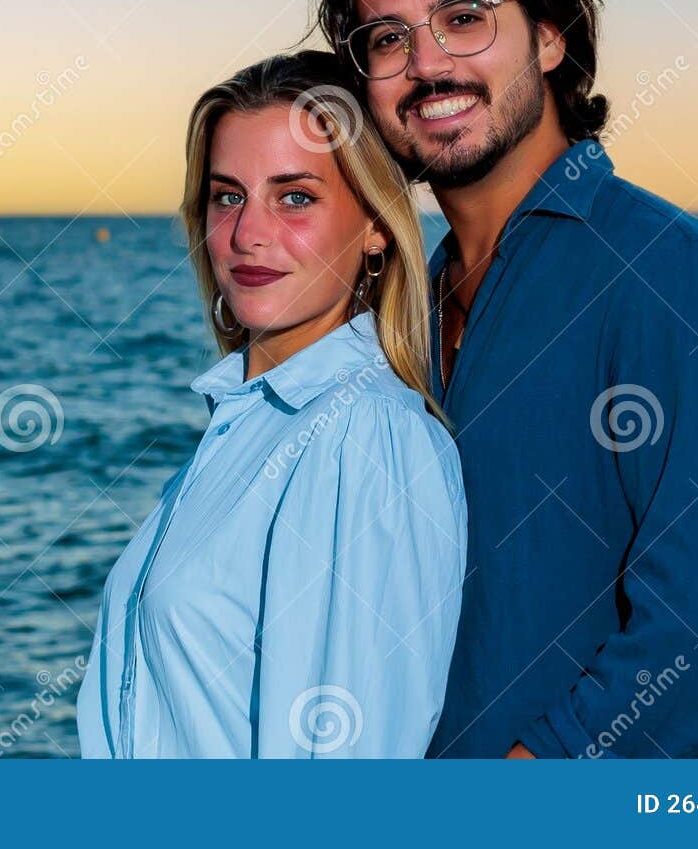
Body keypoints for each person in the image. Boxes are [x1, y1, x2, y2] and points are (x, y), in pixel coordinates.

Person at [316, 0, 698, 758]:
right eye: (387, 37)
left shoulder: (672, 282)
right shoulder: (397, 312)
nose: (427, 63)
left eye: (464, 17)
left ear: (548, 36)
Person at [76, 51, 467, 758]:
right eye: (228, 195)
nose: (248, 233)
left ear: (376, 225)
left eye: (294, 197)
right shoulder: (252, 421)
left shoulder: (366, 436)